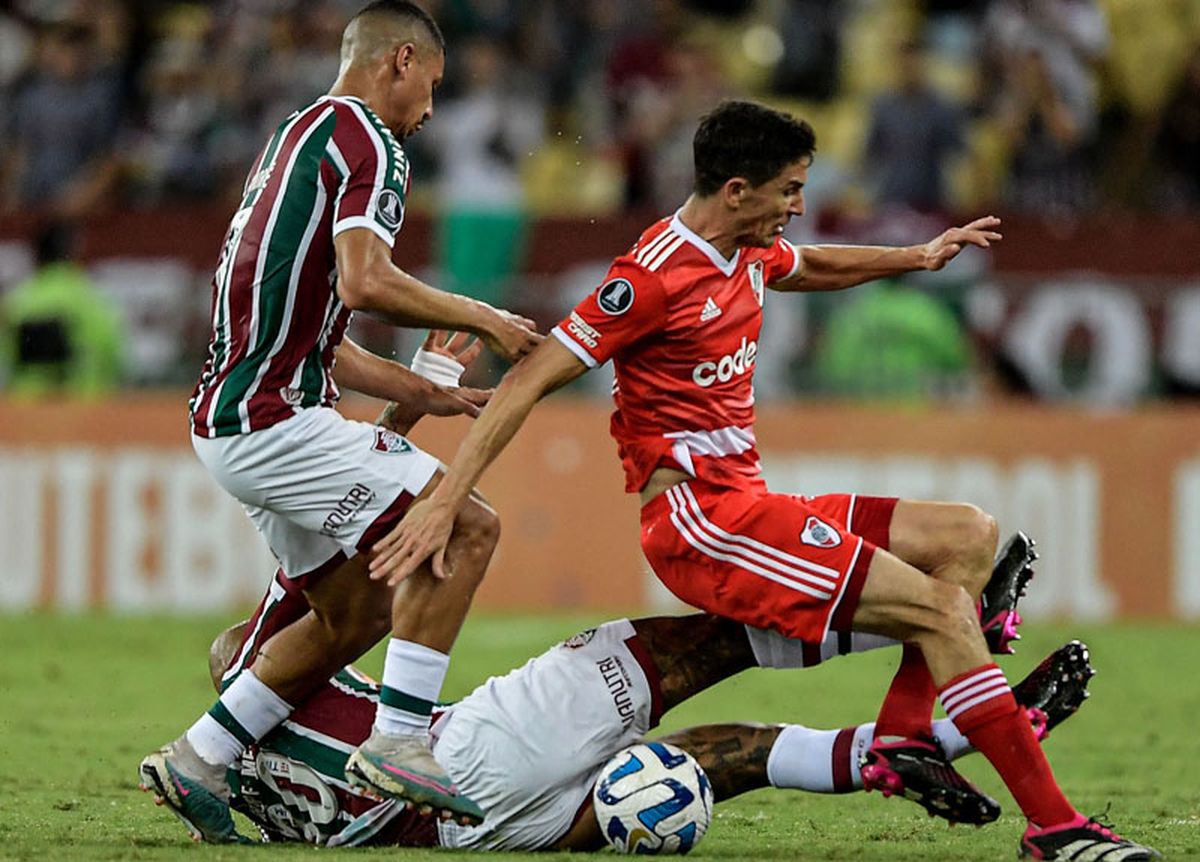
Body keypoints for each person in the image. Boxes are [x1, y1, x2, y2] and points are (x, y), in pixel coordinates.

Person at [370, 100, 1160, 860]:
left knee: (967, 538)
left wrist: (915, 257)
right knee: (947, 610)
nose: (800, 206)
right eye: (790, 190)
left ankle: (902, 738)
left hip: (747, 503)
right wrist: (444, 499)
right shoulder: (649, 278)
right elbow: (527, 380)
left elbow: (808, 264)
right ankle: (1054, 828)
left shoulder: (747, 247)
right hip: (697, 523)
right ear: (737, 190)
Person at [137, 0, 542, 843]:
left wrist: (415, 387)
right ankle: (399, 739)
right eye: (430, 85)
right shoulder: (369, 140)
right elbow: (364, 279)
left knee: (354, 614)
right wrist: (487, 317)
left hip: (230, 420)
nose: (430, 109)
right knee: (464, 526)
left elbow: (319, 325)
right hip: (275, 424)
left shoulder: (296, 137)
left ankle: (199, 756)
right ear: (400, 60)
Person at [156, 529, 1095, 850]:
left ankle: (965, 737)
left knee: (728, 759)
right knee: (709, 641)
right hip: (464, 755)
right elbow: (325, 600)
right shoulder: (266, 671)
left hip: (466, 836)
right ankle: (948, 621)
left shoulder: (234, 783)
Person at [0, 222, 124, 396]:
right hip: (85, 409)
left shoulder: (17, 301)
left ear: (37, 255)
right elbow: (115, 356)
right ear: (74, 252)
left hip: (26, 410)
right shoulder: (93, 299)